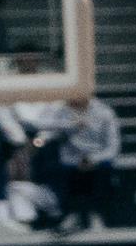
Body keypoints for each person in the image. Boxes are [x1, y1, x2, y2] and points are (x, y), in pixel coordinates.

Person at [36, 95, 120, 231]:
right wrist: (68, 126)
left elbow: (113, 148)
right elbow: (43, 129)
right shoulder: (61, 111)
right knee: (62, 167)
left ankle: (94, 214)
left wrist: (93, 159)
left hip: (97, 157)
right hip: (71, 159)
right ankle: (72, 214)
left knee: (100, 169)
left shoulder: (105, 112)